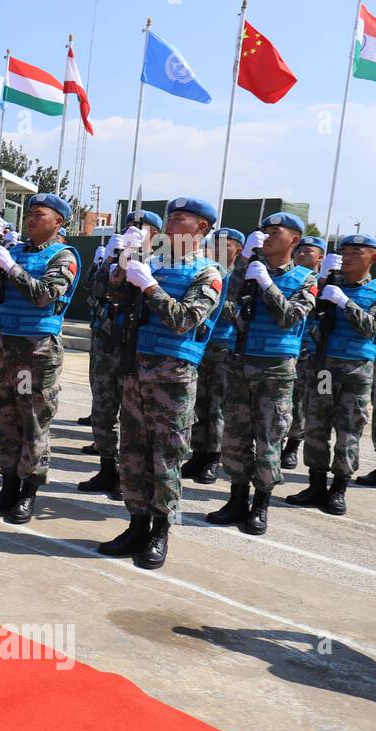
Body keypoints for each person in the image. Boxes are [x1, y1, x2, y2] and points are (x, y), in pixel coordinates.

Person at [97, 197, 225, 569]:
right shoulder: (151, 261)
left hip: (172, 376)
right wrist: (125, 260)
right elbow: (113, 295)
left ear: (201, 228)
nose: (171, 224)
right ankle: (136, 524)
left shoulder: (208, 272)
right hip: (136, 369)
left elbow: (185, 319)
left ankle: (159, 531)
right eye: (170, 217)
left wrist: (151, 287)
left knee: (166, 457)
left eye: (180, 218)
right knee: (133, 452)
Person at [0, 193, 81, 524]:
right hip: (8, 344)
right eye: (30, 213)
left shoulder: (63, 256)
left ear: (58, 222)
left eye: (40, 214)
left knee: (32, 420)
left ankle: (28, 493)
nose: (31, 218)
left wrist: (11, 267)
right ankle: (7, 486)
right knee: (6, 418)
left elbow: (44, 295)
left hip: (37, 351)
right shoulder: (15, 251)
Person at [206, 212, 317, 535]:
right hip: (240, 361)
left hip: (276, 368)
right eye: (264, 231)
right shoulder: (249, 271)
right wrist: (241, 265)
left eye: (275, 232)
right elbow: (222, 304)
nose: (266, 236)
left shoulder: (306, 279)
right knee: (236, 435)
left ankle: (261, 505)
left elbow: (290, 318)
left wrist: (267, 286)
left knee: (269, 438)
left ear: (294, 240)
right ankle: (236, 499)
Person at [286, 234, 376, 510]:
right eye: (344, 252)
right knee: (318, 423)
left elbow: (370, 328)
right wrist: (323, 285)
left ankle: (338, 488)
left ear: (372, 256)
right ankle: (315, 484)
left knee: (349, 429)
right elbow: (306, 318)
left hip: (355, 372)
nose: (347, 257)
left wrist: (344, 303)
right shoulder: (328, 286)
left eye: (355, 253)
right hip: (324, 369)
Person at [81, 209, 163, 500]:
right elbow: (98, 289)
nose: (132, 231)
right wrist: (113, 259)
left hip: (136, 345)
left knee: (132, 415)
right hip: (107, 340)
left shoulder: (163, 263)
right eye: (128, 227)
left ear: (154, 234)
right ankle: (107, 467)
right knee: (103, 407)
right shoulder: (118, 258)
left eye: (139, 228)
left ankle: (127, 475)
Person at [184, 227, 245, 484]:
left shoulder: (243, 276)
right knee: (199, 401)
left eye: (226, 245)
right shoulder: (205, 270)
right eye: (215, 243)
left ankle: (213, 457)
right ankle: (198, 452)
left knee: (218, 406)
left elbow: (240, 310)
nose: (218, 249)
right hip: (202, 344)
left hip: (225, 345)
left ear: (238, 250)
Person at [282, 234, 326, 469]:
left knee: (303, 401)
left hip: (312, 353)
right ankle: (278, 442)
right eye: (299, 250)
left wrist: (331, 279)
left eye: (308, 251)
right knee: (284, 401)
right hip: (289, 349)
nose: (301, 254)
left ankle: (293, 446)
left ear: (320, 257)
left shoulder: (325, 282)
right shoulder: (288, 279)